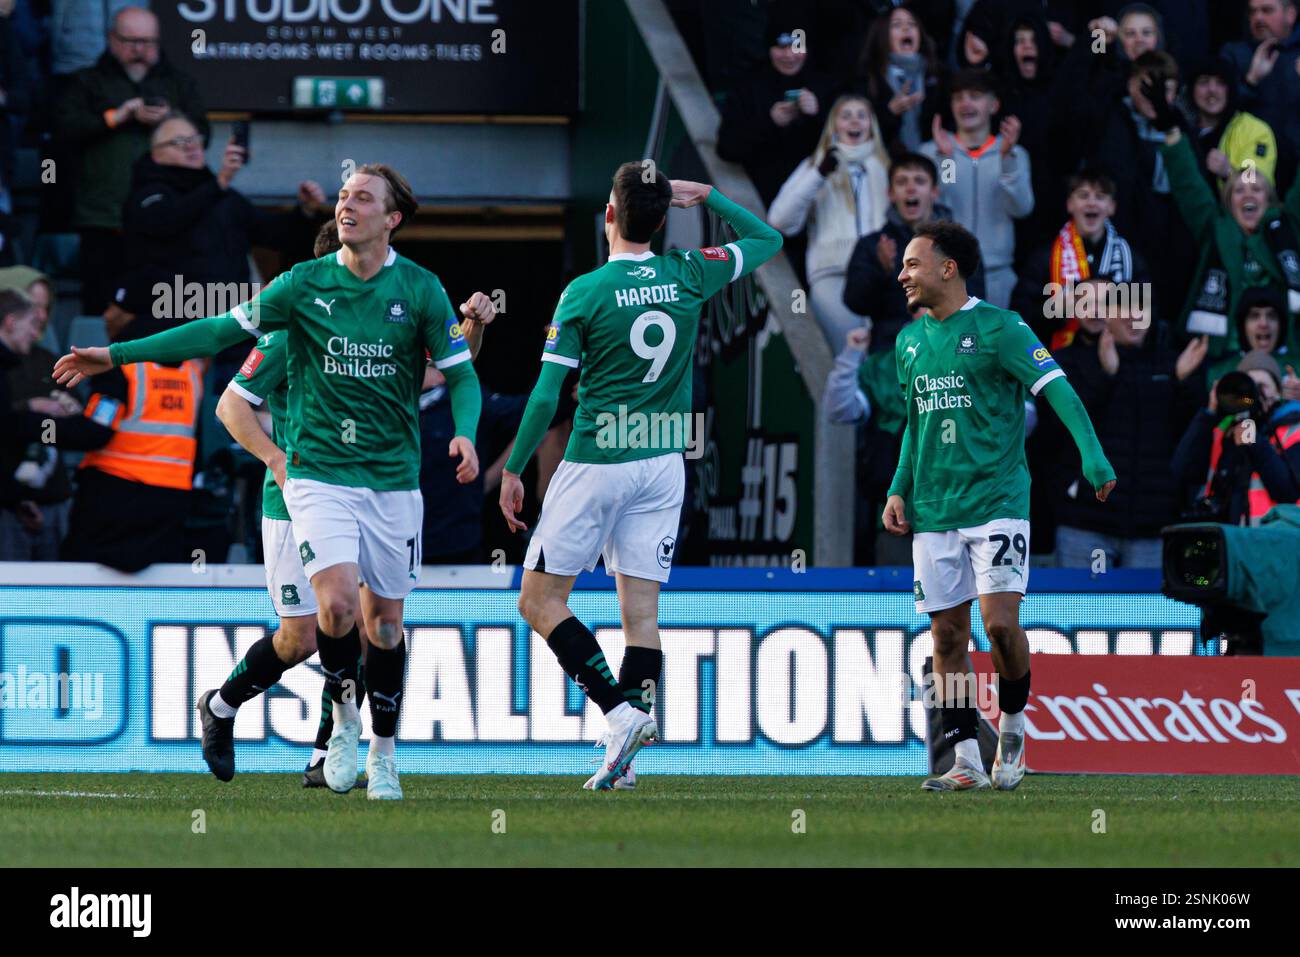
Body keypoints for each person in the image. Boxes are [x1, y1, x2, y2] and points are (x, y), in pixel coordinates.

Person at [55, 163, 489, 802]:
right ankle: (335, 732)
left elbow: (445, 373)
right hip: (307, 481)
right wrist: (116, 354)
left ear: (391, 219)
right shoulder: (297, 302)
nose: (346, 203)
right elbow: (219, 356)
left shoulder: (418, 291)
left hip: (392, 481)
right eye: (342, 195)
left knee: (377, 629)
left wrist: (467, 425)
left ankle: (366, 746)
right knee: (330, 613)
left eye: (362, 197)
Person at [498, 164, 782, 791]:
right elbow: (768, 241)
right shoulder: (689, 271)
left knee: (538, 600)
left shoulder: (586, 291)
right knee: (641, 616)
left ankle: (620, 712)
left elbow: (548, 398)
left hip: (600, 457)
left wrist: (514, 467)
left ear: (608, 216)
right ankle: (624, 757)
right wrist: (711, 198)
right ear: (661, 221)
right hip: (661, 463)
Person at [882, 220, 1115, 791]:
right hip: (935, 508)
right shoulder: (908, 342)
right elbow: (915, 424)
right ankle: (963, 759)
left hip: (998, 501)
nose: (902, 274)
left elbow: (1058, 388)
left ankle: (1012, 724)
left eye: (913, 264)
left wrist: (1094, 456)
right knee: (947, 638)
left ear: (948, 268)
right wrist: (898, 486)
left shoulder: (1002, 328)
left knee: (1001, 626)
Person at [116, 114, 326, 353]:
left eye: (195, 139)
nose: (192, 146)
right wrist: (220, 182)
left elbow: (277, 234)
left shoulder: (223, 196)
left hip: (230, 330)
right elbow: (168, 222)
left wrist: (306, 211)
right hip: (167, 329)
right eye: (179, 141)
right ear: (156, 153)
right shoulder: (147, 195)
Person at [1036, 279, 1207, 569]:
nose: (1134, 316)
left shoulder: (1172, 365)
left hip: (1152, 526)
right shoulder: (1070, 362)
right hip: (1085, 522)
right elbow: (1055, 433)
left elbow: (1191, 441)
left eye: (1142, 308)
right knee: (1081, 612)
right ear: (1107, 315)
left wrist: (1182, 384)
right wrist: (1105, 376)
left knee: (1147, 615)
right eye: (1124, 307)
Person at [53, 6, 208, 313]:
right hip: (104, 217)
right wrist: (116, 116)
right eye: (131, 42)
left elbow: (202, 134)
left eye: (148, 43)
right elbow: (64, 130)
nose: (140, 50)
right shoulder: (86, 82)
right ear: (112, 39)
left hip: (166, 218)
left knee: (164, 308)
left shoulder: (178, 83)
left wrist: (170, 121)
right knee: (100, 306)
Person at [1156, 101, 1300, 366]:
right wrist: (1171, 133)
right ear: (1228, 201)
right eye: (1239, 190)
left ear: (1269, 200)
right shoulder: (1215, 228)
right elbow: (1189, 186)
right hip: (1223, 358)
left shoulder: (1287, 228)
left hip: (1286, 361)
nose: (1248, 195)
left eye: (1257, 189)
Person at [769, 94, 890, 350]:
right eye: (845, 116)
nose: (854, 121)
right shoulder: (814, 166)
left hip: (880, 275)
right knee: (847, 357)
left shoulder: (886, 166)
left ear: (871, 124)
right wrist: (819, 174)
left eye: (861, 115)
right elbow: (780, 220)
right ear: (834, 126)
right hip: (831, 275)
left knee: (883, 364)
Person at [921, 70, 1034, 309]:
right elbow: (939, 208)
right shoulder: (935, 152)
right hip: (948, 277)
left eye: (975, 96)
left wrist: (1007, 159)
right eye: (958, 97)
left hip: (998, 274)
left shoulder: (1014, 152)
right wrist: (947, 160)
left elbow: (1021, 208)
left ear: (994, 105)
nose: (966, 103)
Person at [1011, 170, 1147, 349]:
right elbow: (1021, 315)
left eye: (1100, 196)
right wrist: (1062, 307)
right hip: (1059, 359)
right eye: (1083, 196)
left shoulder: (1130, 259)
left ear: (1112, 207)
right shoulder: (1045, 258)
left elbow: (1145, 315)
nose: (1091, 202)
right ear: (1070, 205)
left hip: (1118, 360)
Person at [714, 11, 832, 207]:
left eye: (796, 46)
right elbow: (726, 147)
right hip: (763, 202)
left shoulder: (823, 84)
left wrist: (817, 115)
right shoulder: (749, 87)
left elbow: (846, 145)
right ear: (769, 48)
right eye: (781, 46)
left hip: (816, 203)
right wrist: (769, 122)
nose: (789, 55)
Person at [1173, 349, 1300, 525]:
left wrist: (1254, 441)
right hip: (1230, 545)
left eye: (1261, 387)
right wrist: (1210, 411)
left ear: (1278, 391)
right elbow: (1181, 471)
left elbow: (1287, 493)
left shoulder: (1292, 429)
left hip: (1271, 542)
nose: (1253, 396)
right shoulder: (1224, 433)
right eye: (1247, 390)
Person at [822, 319, 913, 565]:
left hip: (966, 517)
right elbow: (839, 409)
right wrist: (852, 355)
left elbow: (1024, 415)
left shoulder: (977, 354)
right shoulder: (886, 366)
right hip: (902, 523)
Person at [843, 152, 953, 353]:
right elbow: (855, 303)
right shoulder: (873, 244)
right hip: (890, 355)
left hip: (948, 351)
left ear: (934, 192)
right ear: (891, 194)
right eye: (902, 182)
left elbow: (975, 297)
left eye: (919, 181)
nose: (910, 188)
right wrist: (880, 270)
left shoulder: (957, 243)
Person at [1220, 0, 1300, 182]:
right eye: (1253, 12)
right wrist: (1251, 80)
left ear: (1290, 14)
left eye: (1267, 10)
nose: (1258, 18)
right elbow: (1217, 113)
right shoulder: (1234, 53)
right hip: (1249, 167)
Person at [854, 5, 944, 156]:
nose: (906, 29)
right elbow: (856, 133)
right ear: (882, 35)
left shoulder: (937, 75)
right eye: (896, 25)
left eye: (912, 24)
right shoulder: (867, 79)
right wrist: (890, 112)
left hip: (933, 161)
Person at [1185, 56, 1277, 192]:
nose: (1212, 90)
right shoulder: (1181, 132)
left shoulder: (1253, 130)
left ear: (1230, 90)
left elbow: (1258, 186)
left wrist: (1228, 172)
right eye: (1203, 82)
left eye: (1220, 83)